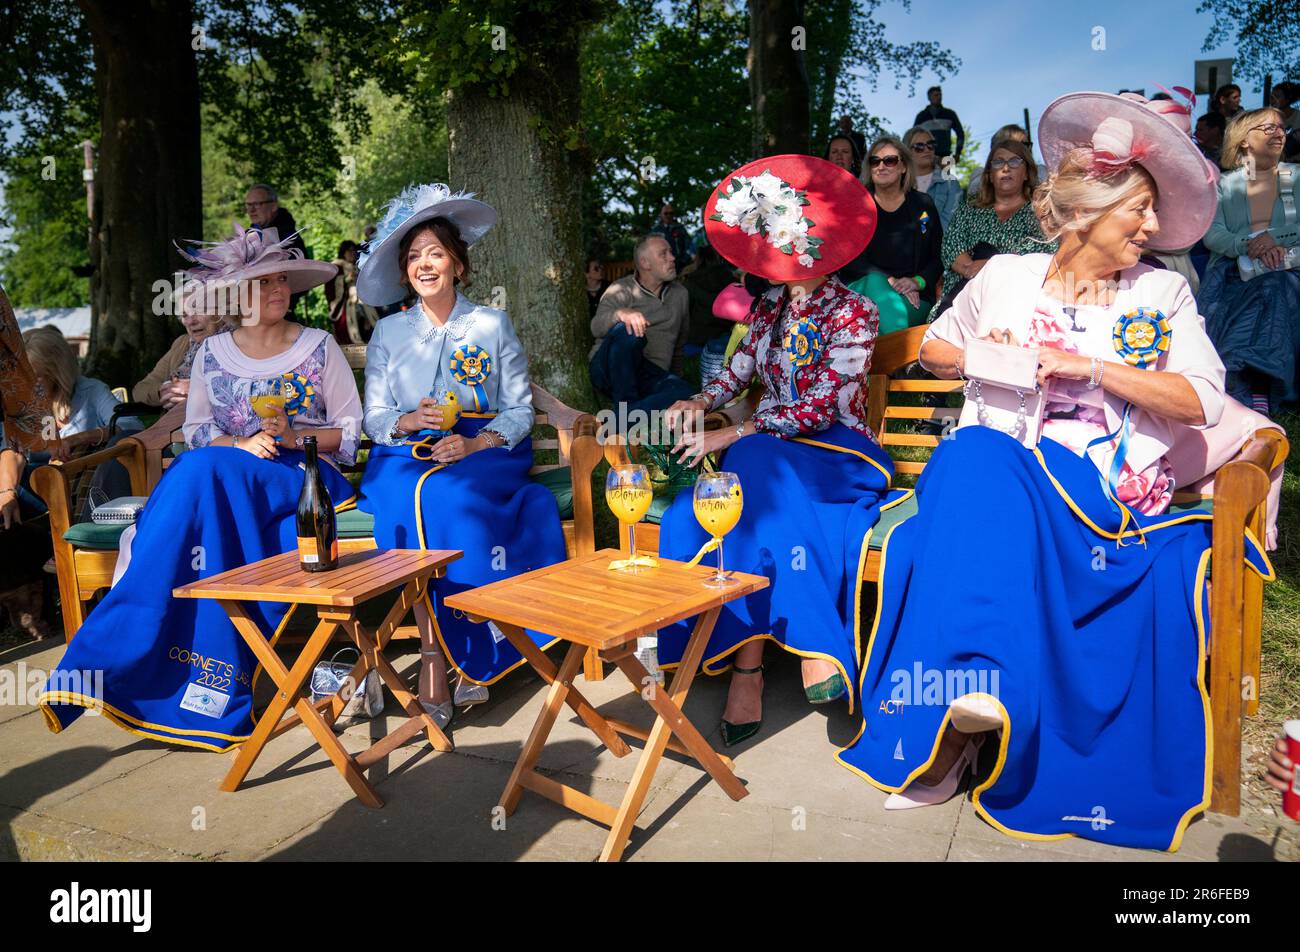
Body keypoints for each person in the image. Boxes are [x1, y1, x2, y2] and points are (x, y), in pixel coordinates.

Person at [836, 91, 1273, 852]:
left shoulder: (1163, 291)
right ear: (1081, 214)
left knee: (979, 474)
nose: (1151, 227)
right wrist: (989, 352)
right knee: (973, 459)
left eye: (1152, 214)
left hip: (1093, 493)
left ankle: (972, 723)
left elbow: (1202, 399)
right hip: (990, 465)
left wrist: (1090, 367)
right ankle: (970, 704)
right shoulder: (1005, 275)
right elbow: (936, 349)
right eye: (1135, 211)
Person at [38, 226, 362, 749]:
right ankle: (175, 673)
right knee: (201, 470)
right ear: (237, 296)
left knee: (194, 474)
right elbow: (197, 432)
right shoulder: (211, 352)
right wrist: (240, 444)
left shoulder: (318, 345)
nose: (276, 290)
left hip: (301, 476)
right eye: (262, 283)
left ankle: (106, 652)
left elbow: (349, 433)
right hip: (226, 472)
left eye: (281, 280)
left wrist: (295, 434)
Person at [661, 154, 889, 747]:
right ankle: (781, 649)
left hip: (838, 452)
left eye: (787, 236)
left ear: (818, 242)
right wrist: (699, 401)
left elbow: (822, 403)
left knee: (750, 465)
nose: (779, 246)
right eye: (771, 237)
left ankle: (758, 665)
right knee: (695, 512)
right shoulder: (767, 310)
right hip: (769, 458)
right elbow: (734, 374)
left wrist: (732, 432)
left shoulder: (854, 311)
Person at [355, 183, 568, 728]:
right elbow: (374, 420)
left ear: (458, 265)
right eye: (413, 257)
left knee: (451, 493)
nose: (424, 264)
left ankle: (474, 651)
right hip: (405, 453)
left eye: (435, 253)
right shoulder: (387, 332)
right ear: (405, 274)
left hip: (486, 449)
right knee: (418, 495)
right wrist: (406, 422)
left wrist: (475, 442)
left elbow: (519, 411)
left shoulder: (491, 325)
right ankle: (434, 646)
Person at [1199, 107, 1300, 416]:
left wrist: (1274, 240)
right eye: (1268, 128)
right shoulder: (1224, 185)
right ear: (1243, 140)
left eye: (1281, 128)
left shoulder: (1296, 177)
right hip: (1232, 267)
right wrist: (1251, 245)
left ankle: (1254, 387)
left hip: (1291, 267)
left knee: (1274, 284)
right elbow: (1212, 235)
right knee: (1246, 290)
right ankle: (1242, 385)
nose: (1279, 133)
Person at [936, 138, 1052, 317]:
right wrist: (971, 270)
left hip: (1016, 297)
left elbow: (1042, 255)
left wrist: (991, 267)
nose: (1006, 168)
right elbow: (951, 246)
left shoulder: (1039, 213)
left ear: (1027, 173)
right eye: (998, 162)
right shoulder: (970, 209)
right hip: (961, 295)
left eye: (1015, 161)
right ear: (990, 175)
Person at [840, 135, 942, 333]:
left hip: (912, 295)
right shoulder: (856, 205)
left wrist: (917, 281)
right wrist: (889, 281)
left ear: (903, 167)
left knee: (888, 314)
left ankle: (882, 360)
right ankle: (897, 362)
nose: (881, 166)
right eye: (875, 161)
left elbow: (938, 255)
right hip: (862, 290)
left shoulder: (923, 204)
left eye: (890, 160)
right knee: (877, 284)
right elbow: (848, 257)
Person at [0, 285, 55, 639]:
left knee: (9, 509)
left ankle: (27, 609)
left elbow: (12, 450)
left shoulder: (8, 387)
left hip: (18, 483)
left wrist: (5, 489)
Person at [589, 234, 694, 415]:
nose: (672, 257)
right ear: (645, 263)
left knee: (686, 395)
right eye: (664, 254)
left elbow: (679, 344)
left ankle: (623, 420)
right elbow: (596, 327)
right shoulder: (621, 289)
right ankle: (627, 409)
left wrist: (674, 379)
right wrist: (620, 314)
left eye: (670, 252)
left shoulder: (680, 294)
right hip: (610, 369)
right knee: (627, 330)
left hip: (650, 374)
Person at [22, 326, 143, 463]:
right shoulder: (18, 401)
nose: (26, 383)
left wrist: (78, 439)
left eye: (36, 376)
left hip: (84, 479)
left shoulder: (91, 391)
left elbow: (133, 427)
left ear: (56, 373)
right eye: (21, 376)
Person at [133, 287, 227, 408]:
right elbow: (141, 389)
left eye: (198, 311)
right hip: (174, 424)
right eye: (184, 315)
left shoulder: (237, 340)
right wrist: (166, 391)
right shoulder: (182, 343)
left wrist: (198, 392)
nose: (190, 321)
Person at [966, 124, 1049, 198]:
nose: (1026, 150)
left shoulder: (1040, 171)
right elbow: (975, 191)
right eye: (1020, 146)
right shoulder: (980, 174)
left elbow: (1045, 187)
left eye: (1027, 146)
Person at [903, 126, 962, 228]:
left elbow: (951, 224)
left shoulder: (950, 183)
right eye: (919, 147)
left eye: (931, 145)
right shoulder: (897, 184)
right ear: (907, 152)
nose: (927, 149)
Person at [914, 85, 964, 162]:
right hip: (925, 156)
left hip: (945, 156)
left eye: (940, 95)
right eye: (936, 95)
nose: (939, 97)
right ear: (929, 97)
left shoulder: (950, 114)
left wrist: (958, 153)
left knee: (945, 174)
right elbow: (913, 136)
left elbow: (960, 133)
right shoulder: (921, 116)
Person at [325, 239, 361, 344]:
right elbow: (330, 288)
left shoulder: (358, 266)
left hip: (361, 303)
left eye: (354, 250)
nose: (352, 253)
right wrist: (346, 279)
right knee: (347, 336)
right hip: (344, 307)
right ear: (343, 252)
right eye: (349, 250)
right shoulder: (336, 267)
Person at [650, 203, 693, 271]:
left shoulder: (680, 228)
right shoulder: (655, 231)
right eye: (666, 213)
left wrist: (684, 260)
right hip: (663, 267)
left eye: (671, 213)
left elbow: (689, 245)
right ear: (661, 215)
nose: (668, 215)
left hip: (681, 265)